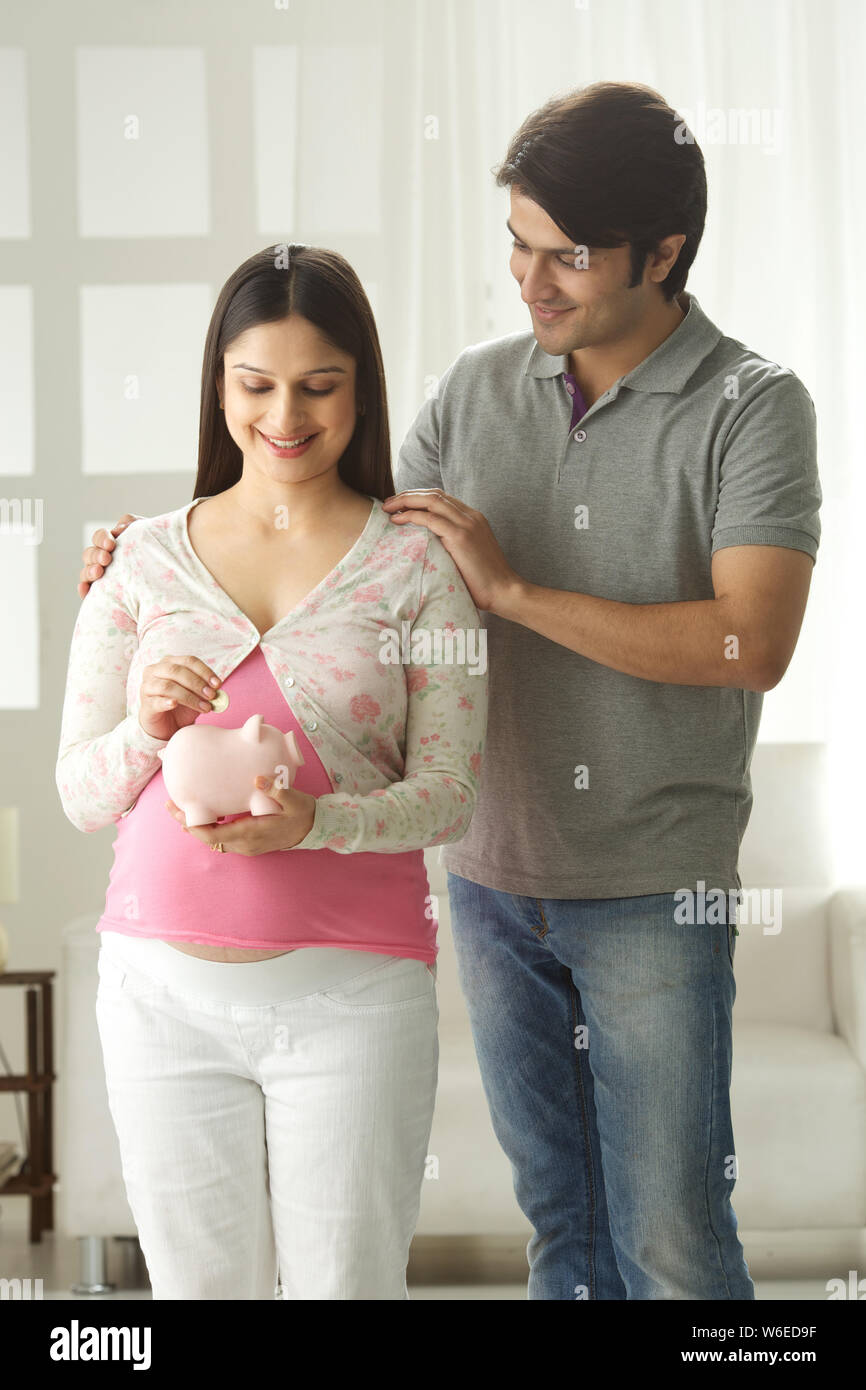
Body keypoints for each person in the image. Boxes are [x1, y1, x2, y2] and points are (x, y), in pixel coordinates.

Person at [78, 82, 821, 1300]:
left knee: (674, 1242)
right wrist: (148, 557)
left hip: (648, 880)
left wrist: (516, 594)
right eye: (517, 247)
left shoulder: (752, 406)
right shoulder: (477, 390)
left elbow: (752, 641)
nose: (530, 282)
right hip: (486, 883)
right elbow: (328, 523)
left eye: (565, 259)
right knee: (561, 1236)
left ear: (664, 252)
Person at [57, 243, 488, 1300]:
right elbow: (80, 792)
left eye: (318, 385)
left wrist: (314, 824)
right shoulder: (140, 557)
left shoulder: (418, 566)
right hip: (156, 997)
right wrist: (149, 732)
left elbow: (449, 793)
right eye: (255, 384)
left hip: (353, 997)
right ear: (218, 387)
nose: (285, 414)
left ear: (361, 390)